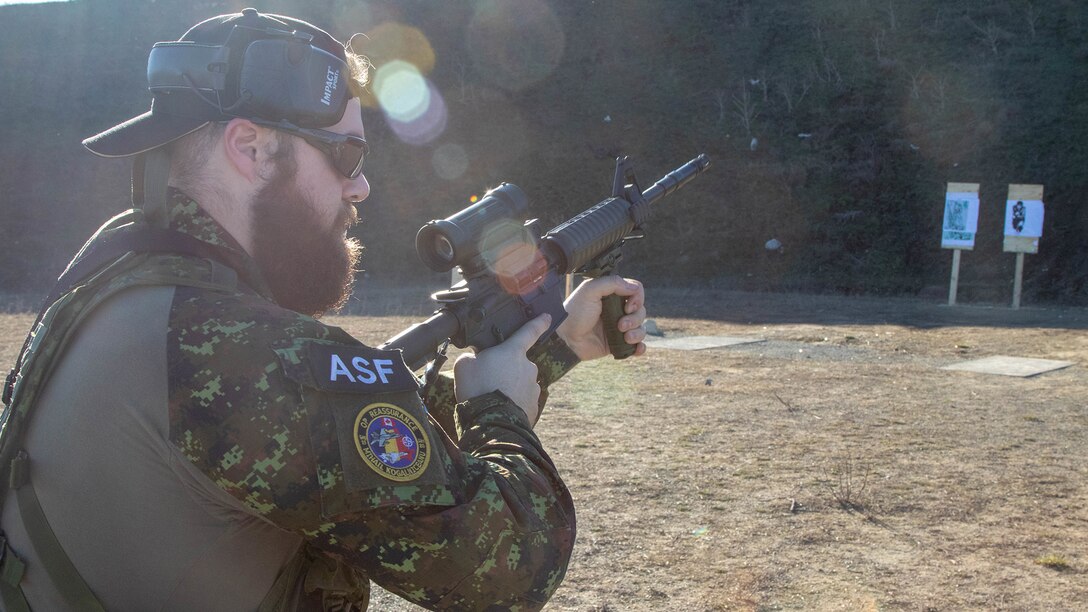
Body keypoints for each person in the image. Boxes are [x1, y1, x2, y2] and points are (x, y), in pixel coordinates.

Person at [0, 9, 648, 612]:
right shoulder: (234, 350)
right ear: (250, 148)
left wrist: (551, 349)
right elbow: (511, 562)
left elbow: (332, 463)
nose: (360, 184)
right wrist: (499, 411)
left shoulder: (124, 277)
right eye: (346, 155)